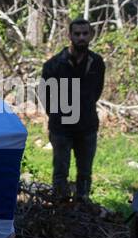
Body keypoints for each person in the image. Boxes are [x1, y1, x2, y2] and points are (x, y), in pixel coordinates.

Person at [41, 17, 105, 203]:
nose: (81, 38)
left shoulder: (97, 63)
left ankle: (83, 208)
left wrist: (84, 109)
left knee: (85, 173)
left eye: (85, 34)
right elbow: (45, 96)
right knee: (60, 172)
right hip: (61, 128)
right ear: (69, 36)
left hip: (87, 127)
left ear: (91, 35)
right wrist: (59, 116)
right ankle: (60, 210)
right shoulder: (53, 65)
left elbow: (96, 92)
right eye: (77, 34)